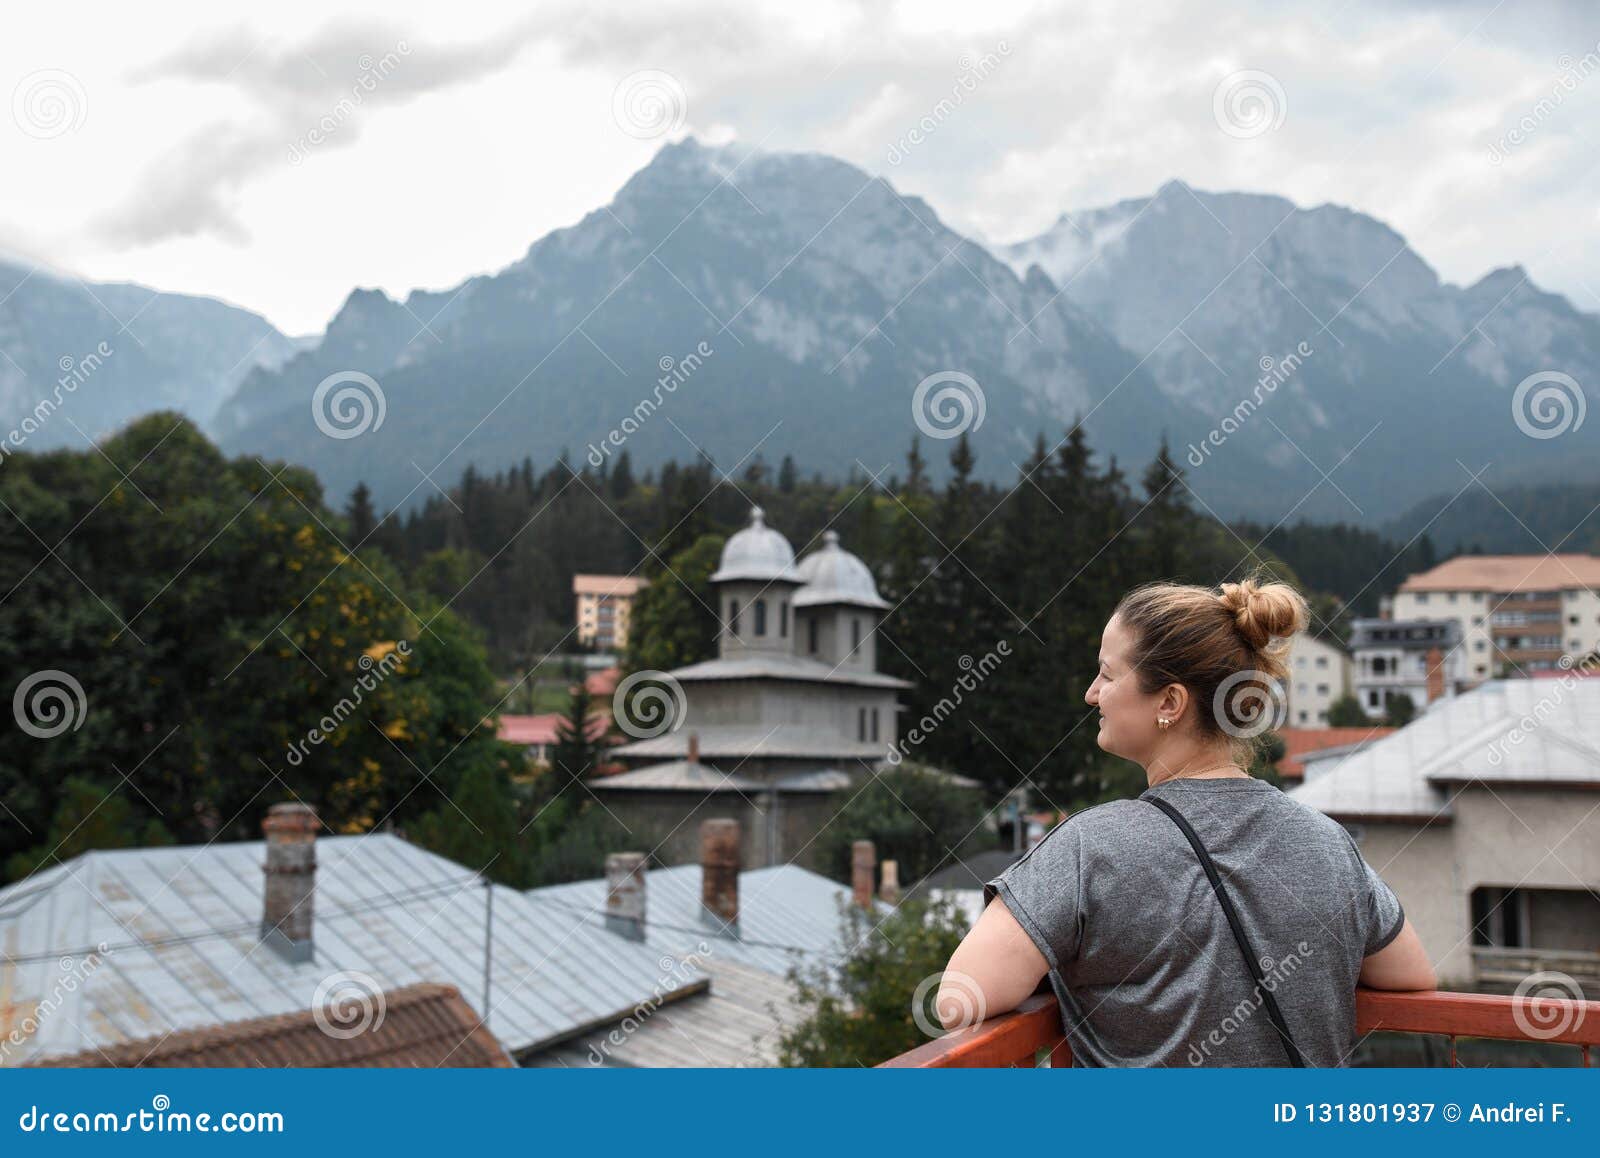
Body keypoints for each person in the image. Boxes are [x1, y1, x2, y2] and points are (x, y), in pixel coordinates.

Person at [937, 574, 1435, 1066]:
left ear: (1170, 703)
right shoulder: (1326, 840)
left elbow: (959, 1000)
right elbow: (1412, 976)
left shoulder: (1090, 847)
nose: (1092, 694)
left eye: (1107, 675)